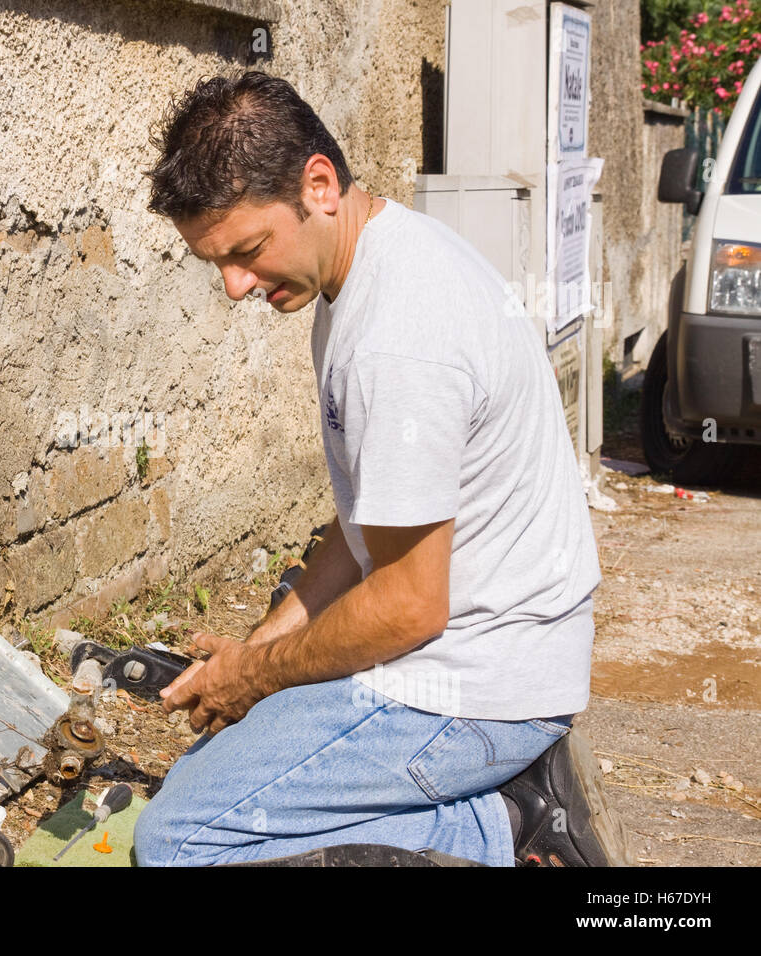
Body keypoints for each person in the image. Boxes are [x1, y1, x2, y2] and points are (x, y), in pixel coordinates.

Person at [131, 71, 631, 867]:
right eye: (215, 263)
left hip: (476, 688)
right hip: (489, 658)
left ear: (319, 184)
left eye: (247, 251)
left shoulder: (397, 334)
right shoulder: (372, 266)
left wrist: (258, 679)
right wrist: (257, 652)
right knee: (218, 785)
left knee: (182, 839)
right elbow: (371, 524)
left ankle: (506, 832)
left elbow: (406, 606)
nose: (234, 287)